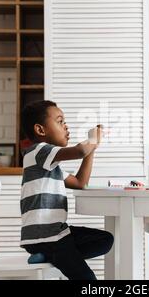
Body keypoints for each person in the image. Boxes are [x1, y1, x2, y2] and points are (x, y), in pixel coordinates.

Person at [20, 100, 113, 280]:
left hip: (54, 235)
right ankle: (54, 255)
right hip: (46, 236)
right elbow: (79, 151)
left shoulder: (50, 166)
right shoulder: (40, 151)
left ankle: (49, 256)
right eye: (60, 121)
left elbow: (80, 182)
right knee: (86, 278)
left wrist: (92, 149)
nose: (66, 126)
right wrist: (92, 139)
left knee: (105, 240)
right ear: (40, 130)